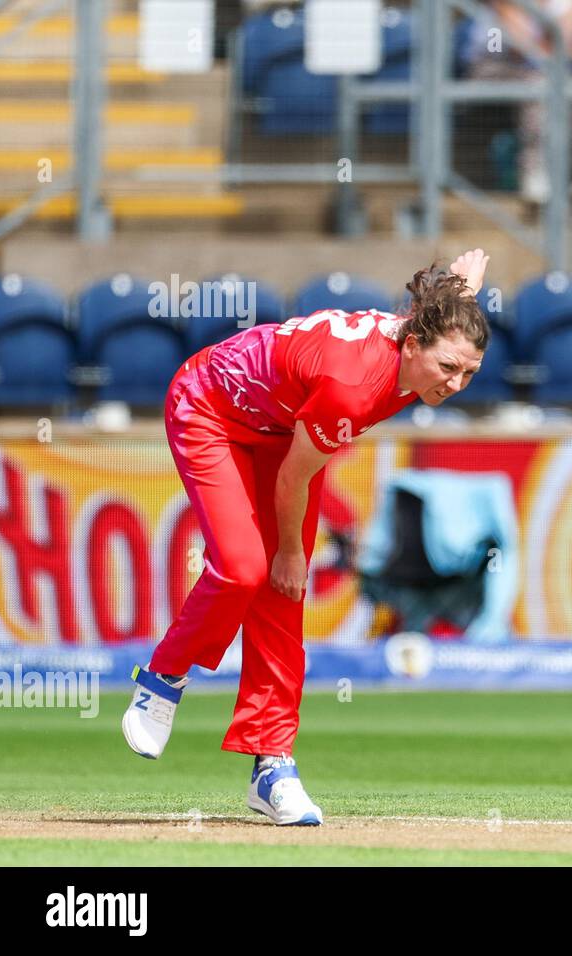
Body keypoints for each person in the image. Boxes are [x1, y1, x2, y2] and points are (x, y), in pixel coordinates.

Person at [121, 250, 492, 825]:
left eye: (469, 373)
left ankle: (272, 766)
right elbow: (296, 477)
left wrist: (464, 293)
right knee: (248, 567)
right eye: (449, 368)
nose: (456, 384)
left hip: (281, 428)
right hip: (212, 409)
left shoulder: (423, 337)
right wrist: (293, 551)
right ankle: (164, 676)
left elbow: (438, 319)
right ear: (413, 346)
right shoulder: (353, 389)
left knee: (282, 598)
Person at [464, 1, 572, 204]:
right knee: (539, 84)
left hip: (542, 68)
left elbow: (564, 42)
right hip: (491, 66)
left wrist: (565, 49)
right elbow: (521, 46)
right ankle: (535, 173)